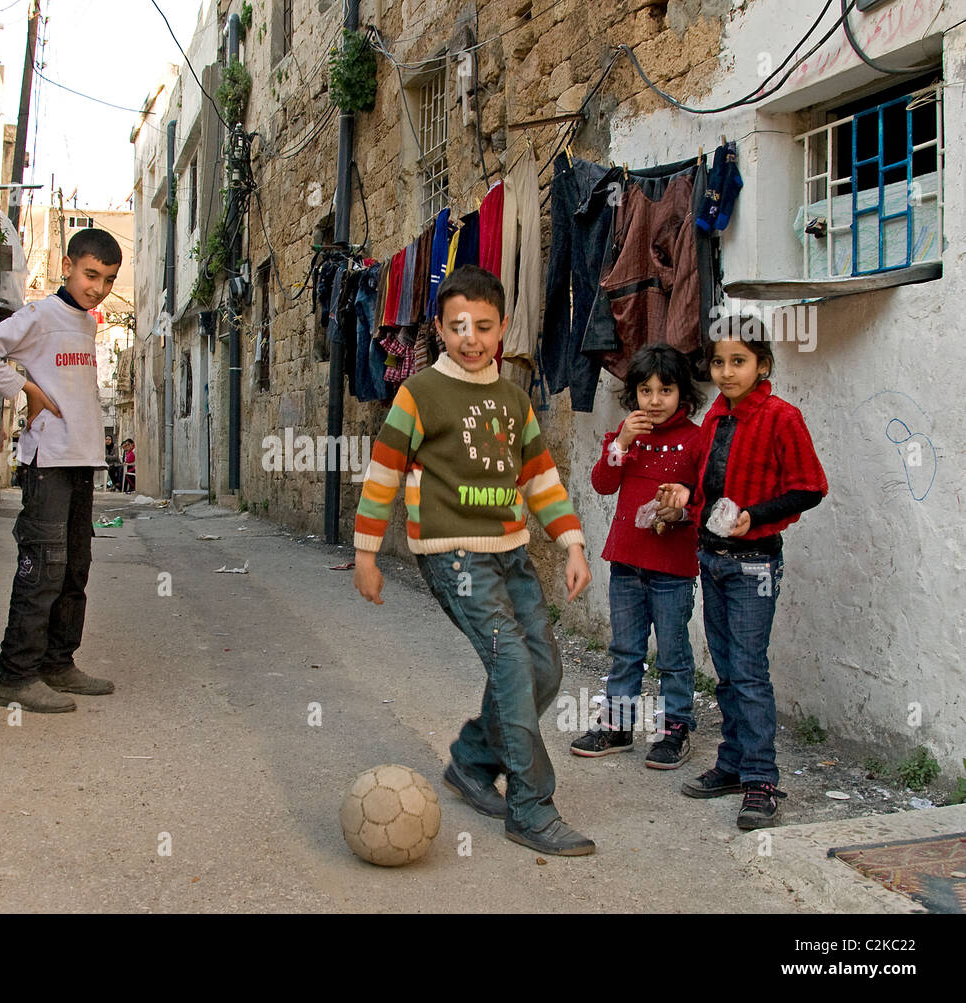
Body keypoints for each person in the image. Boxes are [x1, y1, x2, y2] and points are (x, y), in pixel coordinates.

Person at [352, 264, 595, 857]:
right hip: (453, 556)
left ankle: (473, 760)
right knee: (511, 663)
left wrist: (572, 542)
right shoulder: (419, 394)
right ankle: (531, 808)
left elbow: (539, 478)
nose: (471, 338)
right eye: (458, 325)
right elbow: (383, 474)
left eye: (483, 327)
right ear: (438, 327)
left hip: (511, 552)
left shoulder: (513, 399)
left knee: (544, 668)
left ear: (503, 327)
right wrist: (366, 553)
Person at [657, 318, 827, 829]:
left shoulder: (782, 417)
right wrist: (684, 498)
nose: (727, 372)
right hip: (712, 559)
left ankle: (761, 779)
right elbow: (705, 485)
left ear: (763, 365)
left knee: (749, 670)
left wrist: (757, 515)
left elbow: (810, 488)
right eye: (718, 362)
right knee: (727, 668)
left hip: (754, 564)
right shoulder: (715, 416)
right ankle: (732, 764)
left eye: (739, 361)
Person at [0, 228, 121, 713]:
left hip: (80, 460)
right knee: (42, 570)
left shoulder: (86, 322)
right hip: (47, 461)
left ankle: (58, 663)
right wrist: (24, 389)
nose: (98, 288)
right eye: (90, 275)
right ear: (67, 266)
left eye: (109, 280)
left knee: (74, 569)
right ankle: (17, 676)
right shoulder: (40, 315)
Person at [572, 344, 704, 767]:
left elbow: (706, 501)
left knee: (673, 655)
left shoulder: (696, 440)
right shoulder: (627, 435)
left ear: (683, 393)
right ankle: (618, 726)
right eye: (646, 391)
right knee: (626, 649)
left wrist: (682, 510)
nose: (655, 401)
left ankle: (674, 729)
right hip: (627, 564)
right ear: (634, 394)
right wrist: (622, 442)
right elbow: (602, 484)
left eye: (666, 390)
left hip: (672, 569)